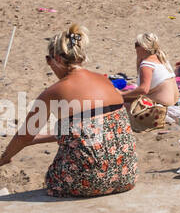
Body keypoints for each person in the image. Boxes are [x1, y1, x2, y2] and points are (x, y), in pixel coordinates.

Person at [0, 24, 137, 197]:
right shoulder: (105, 82)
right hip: (127, 175)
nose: (49, 64)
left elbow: (24, 135)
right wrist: (36, 140)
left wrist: (5, 157)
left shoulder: (53, 92)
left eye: (48, 60)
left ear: (57, 58)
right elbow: (87, 131)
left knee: (53, 176)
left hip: (90, 182)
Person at [119, 33, 179, 130]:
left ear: (143, 47)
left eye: (137, 45)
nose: (135, 48)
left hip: (158, 109)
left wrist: (121, 95)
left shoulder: (147, 64)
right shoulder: (161, 58)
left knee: (118, 102)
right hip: (173, 103)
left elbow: (143, 90)